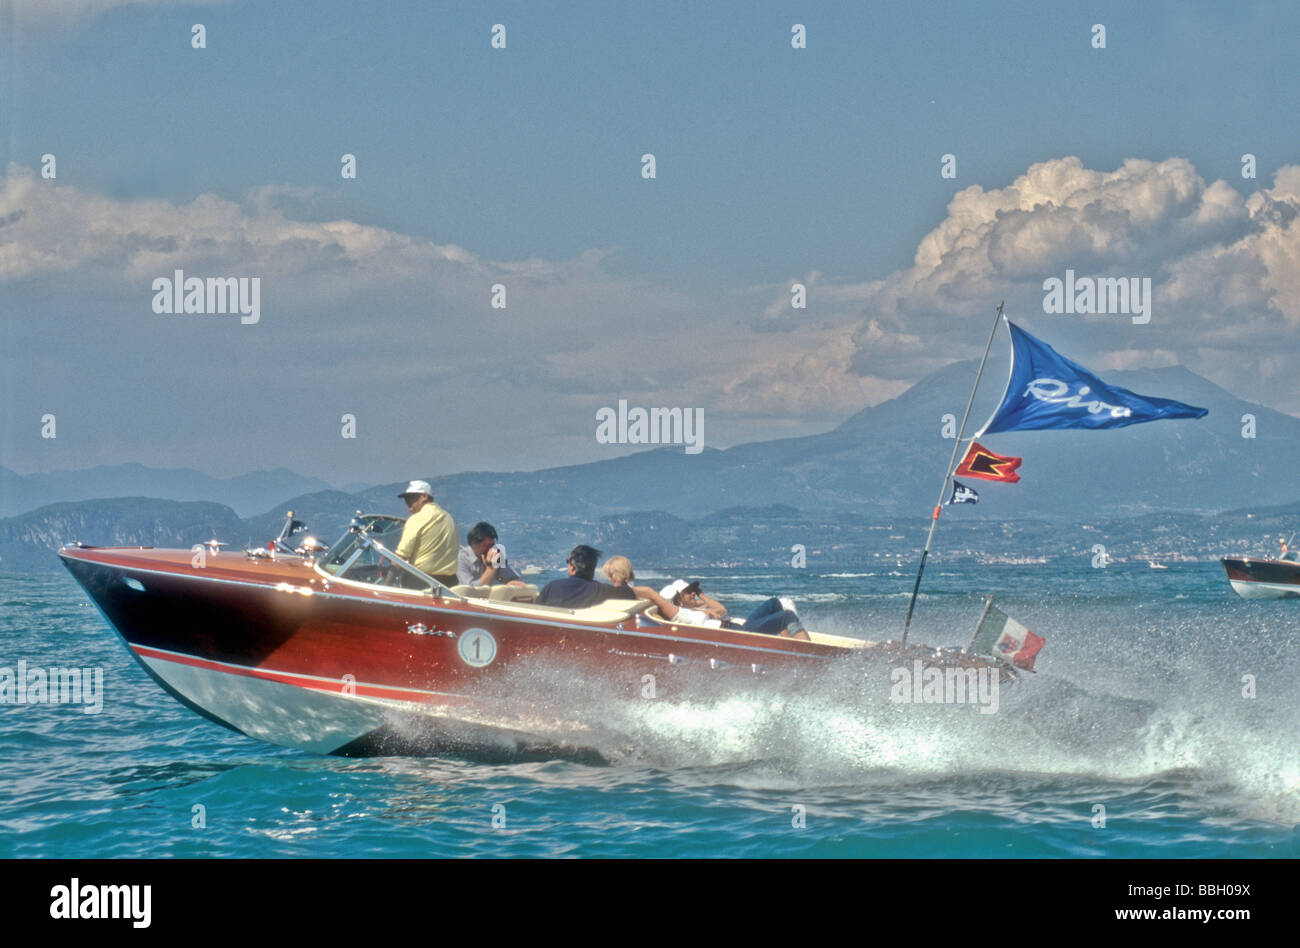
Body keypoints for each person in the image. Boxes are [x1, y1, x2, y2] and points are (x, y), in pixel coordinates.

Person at [639, 579, 809, 639]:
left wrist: (701, 595)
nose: (693, 595)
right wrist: (620, 589)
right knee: (786, 616)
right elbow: (652, 594)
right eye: (688, 593)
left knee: (777, 602)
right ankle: (802, 652)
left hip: (739, 627)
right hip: (738, 634)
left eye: (693, 592)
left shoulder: (696, 610)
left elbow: (721, 610)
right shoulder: (681, 614)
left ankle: (788, 642)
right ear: (677, 599)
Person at [393, 480, 458, 588]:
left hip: (421, 583)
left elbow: (399, 558)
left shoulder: (417, 519)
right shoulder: (449, 518)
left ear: (424, 496)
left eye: (411, 498)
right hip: (450, 585)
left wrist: (386, 584)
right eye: (406, 499)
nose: (407, 502)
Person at [536, 545, 608, 608]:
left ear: (572, 568)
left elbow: (537, 610)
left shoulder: (551, 587)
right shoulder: (602, 590)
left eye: (568, 561)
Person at [458, 522, 524, 587]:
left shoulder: (495, 556)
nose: (489, 550)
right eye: (485, 545)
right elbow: (469, 589)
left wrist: (512, 583)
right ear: (474, 544)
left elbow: (516, 579)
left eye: (491, 546)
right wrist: (491, 568)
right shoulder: (462, 558)